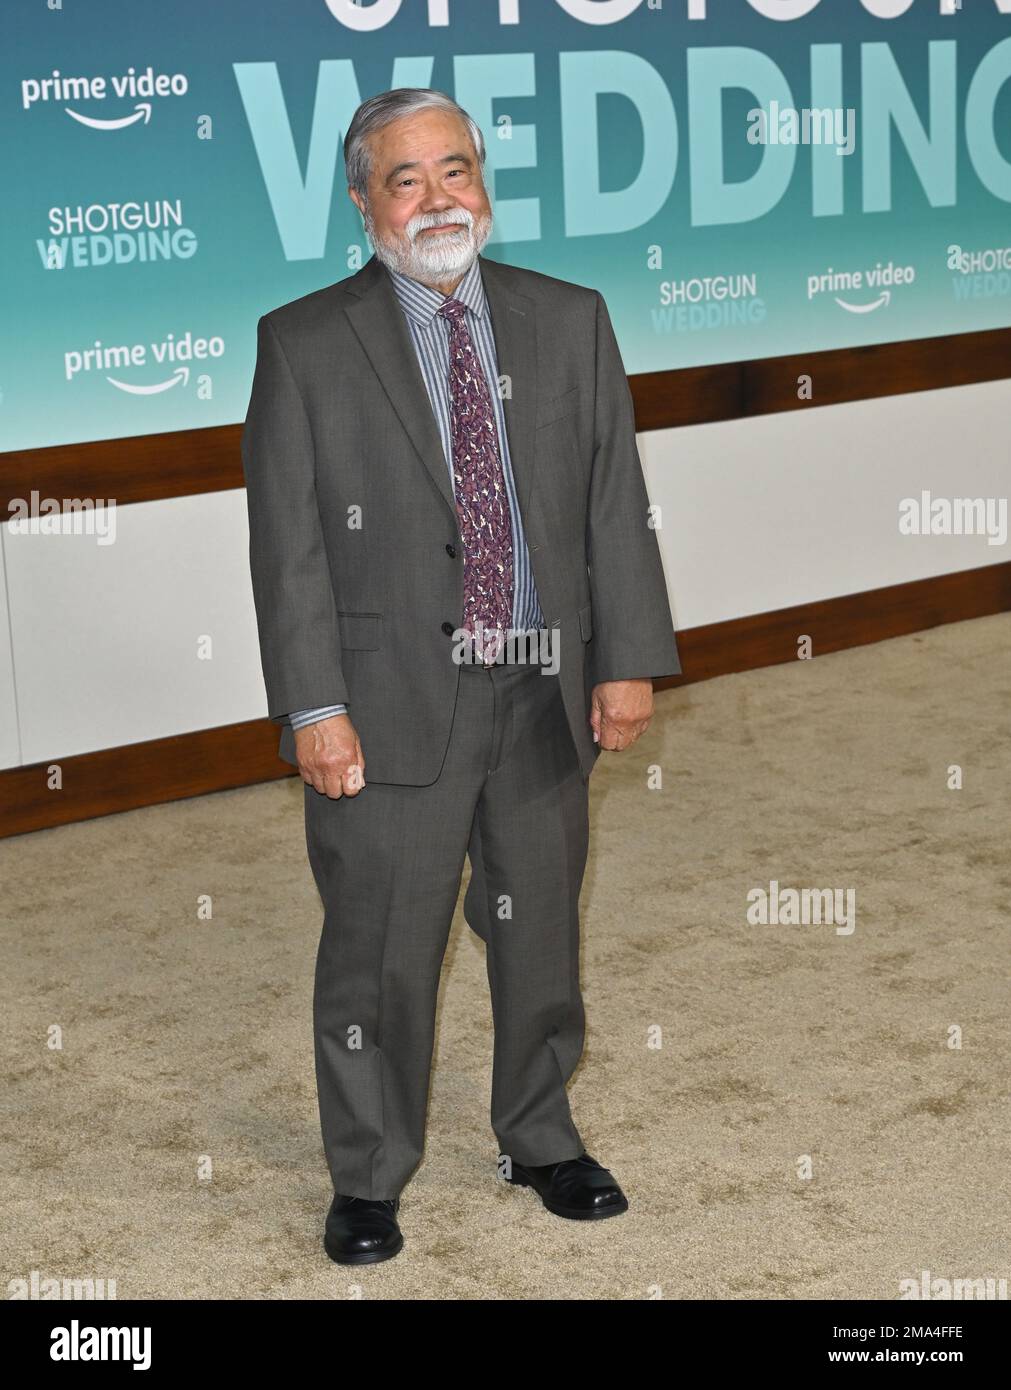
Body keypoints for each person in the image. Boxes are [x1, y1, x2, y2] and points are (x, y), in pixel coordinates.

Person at [241, 87, 681, 1266]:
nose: (437, 197)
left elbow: (611, 506)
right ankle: (368, 1173)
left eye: (454, 170)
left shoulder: (569, 318)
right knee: (380, 949)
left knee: (538, 930)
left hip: (538, 687)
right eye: (405, 177)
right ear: (360, 198)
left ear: (482, 181)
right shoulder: (303, 342)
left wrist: (627, 661)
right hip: (384, 710)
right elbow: (284, 547)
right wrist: (315, 709)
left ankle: (538, 1134)